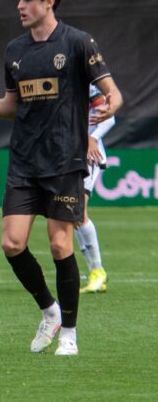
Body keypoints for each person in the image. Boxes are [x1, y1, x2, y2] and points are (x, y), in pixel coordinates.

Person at [0, 0, 122, 356]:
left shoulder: (78, 43)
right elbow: (12, 106)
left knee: (58, 244)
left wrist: (108, 110)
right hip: (24, 161)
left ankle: (69, 333)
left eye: (27, 0)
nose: (20, 6)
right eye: (18, 0)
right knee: (12, 243)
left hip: (65, 160)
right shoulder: (15, 51)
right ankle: (49, 310)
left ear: (48, 1)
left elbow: (111, 93)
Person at [76, 85, 116, 293]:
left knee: (78, 212)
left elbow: (110, 117)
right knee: (72, 215)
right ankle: (95, 271)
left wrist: (92, 138)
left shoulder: (88, 86)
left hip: (87, 153)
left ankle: (97, 271)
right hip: (67, 153)